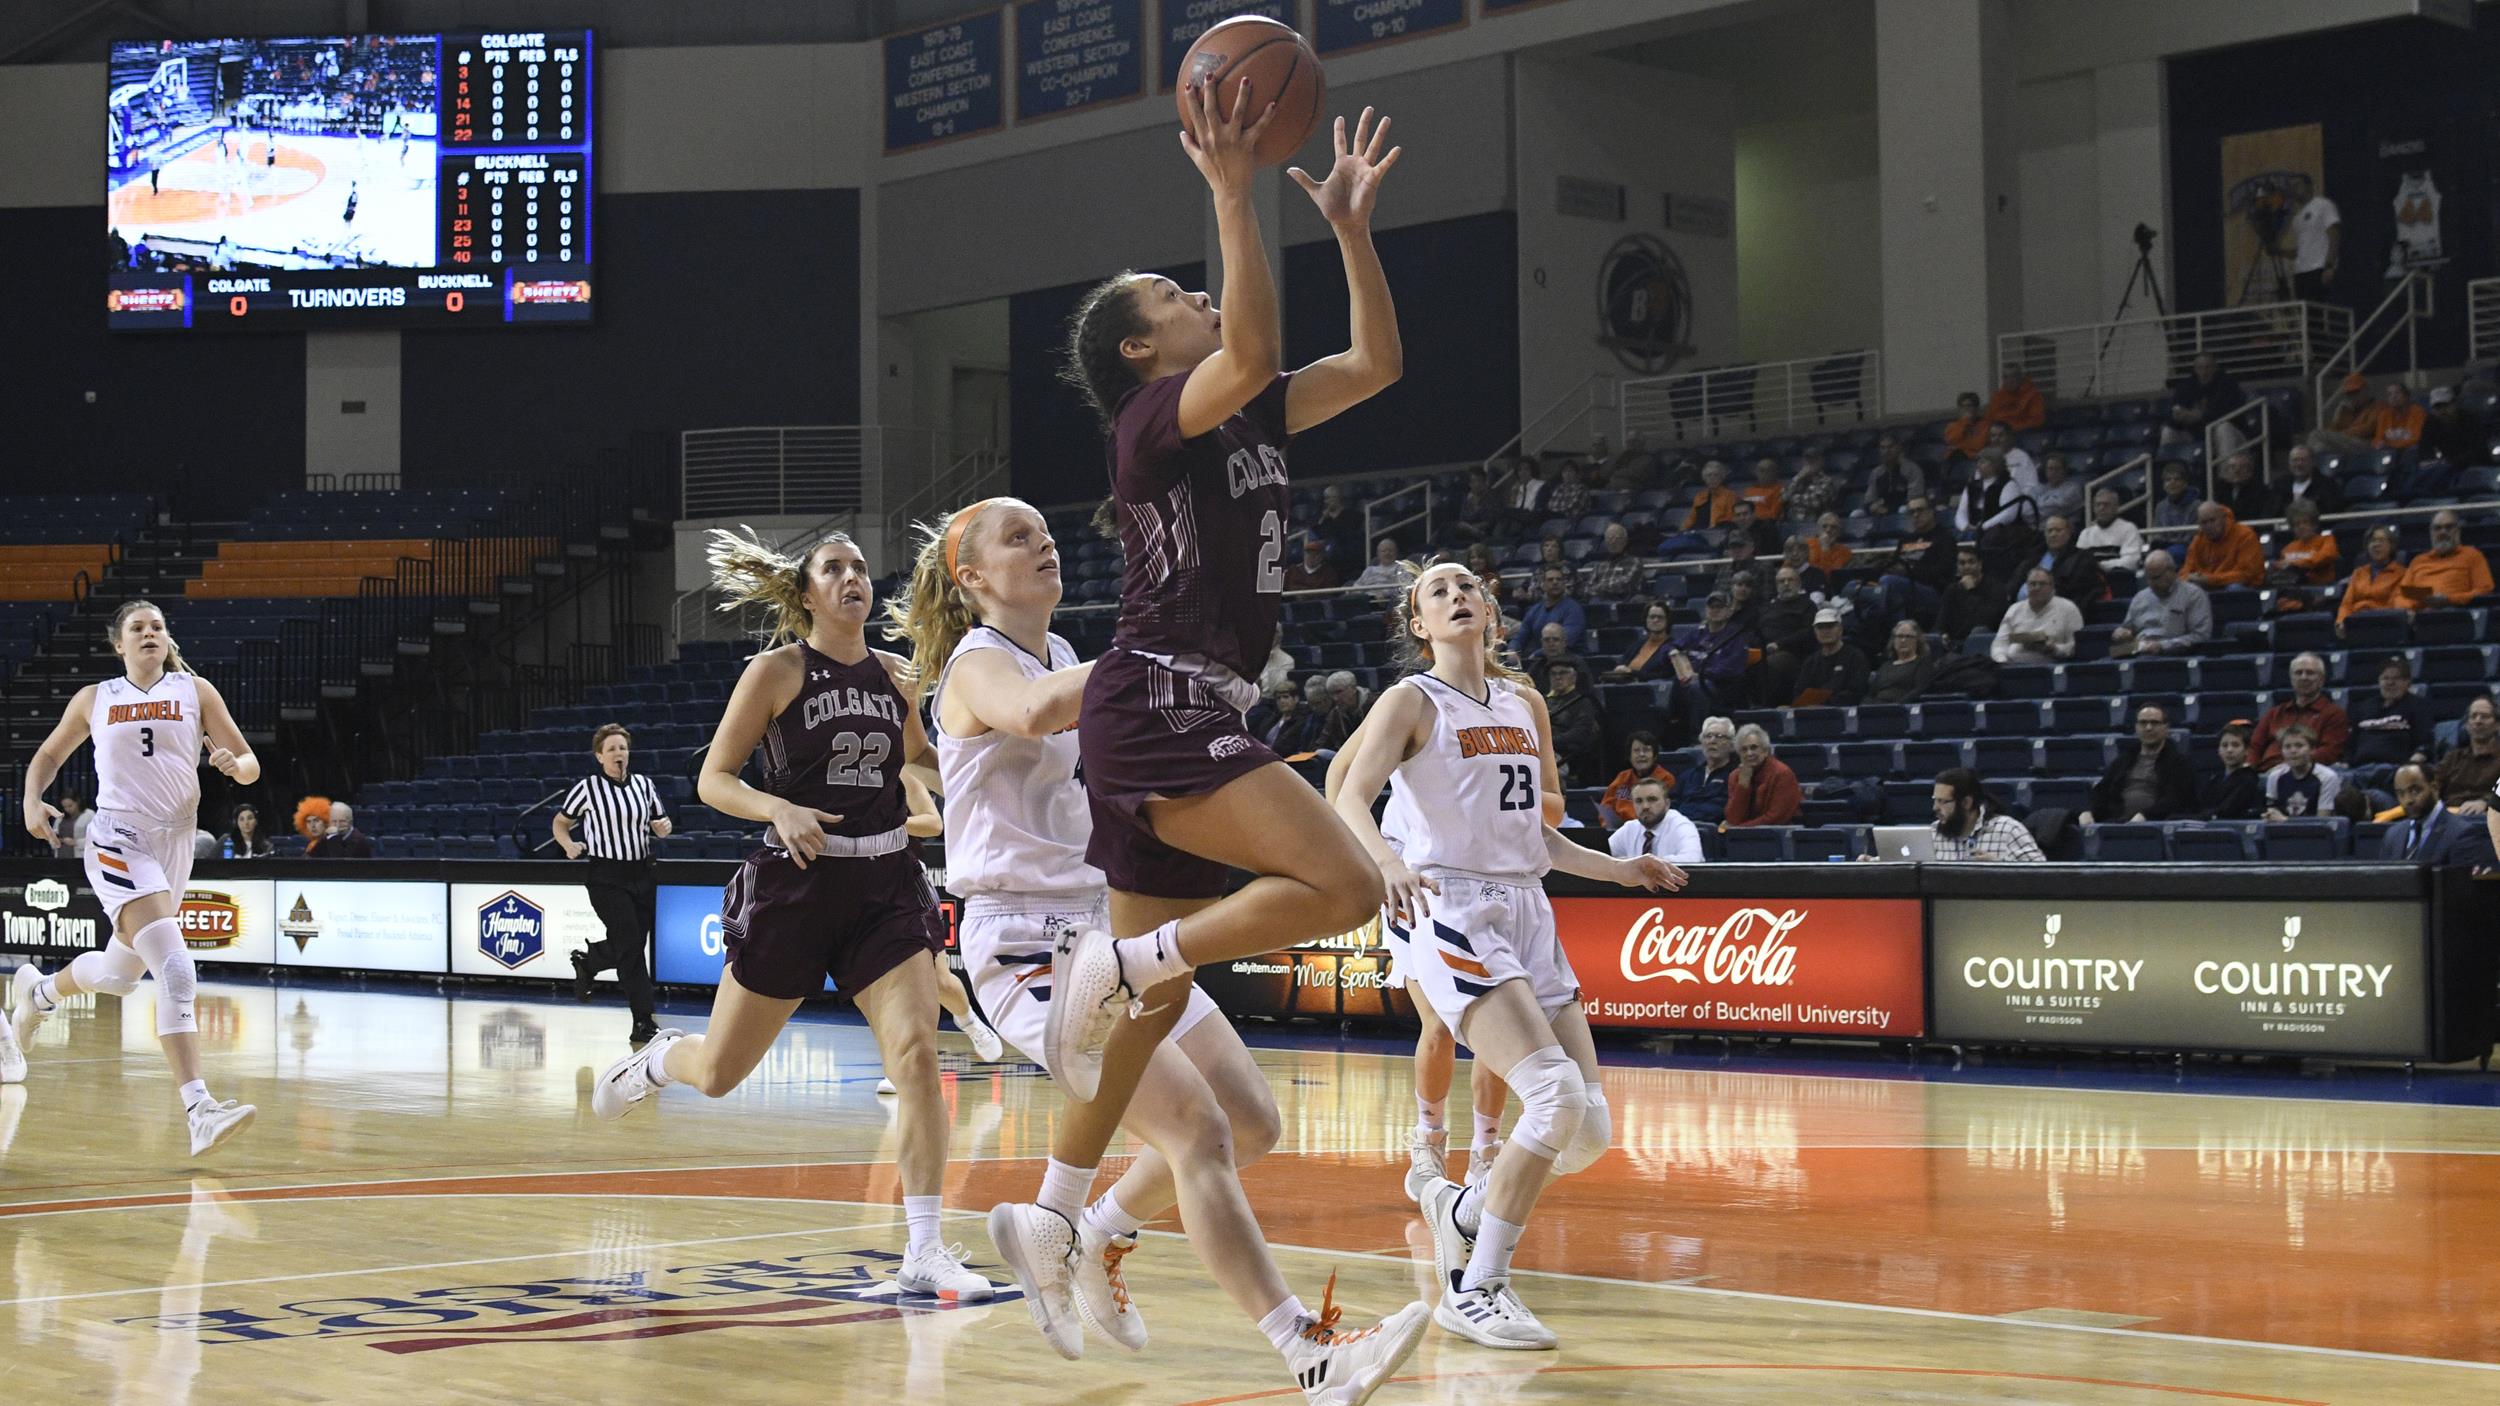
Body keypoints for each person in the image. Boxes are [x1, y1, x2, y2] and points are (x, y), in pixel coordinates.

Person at [996, 95, 1429, 1401]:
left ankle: (1061, 1215)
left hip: (1182, 704)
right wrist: (1233, 188)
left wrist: (1348, 229)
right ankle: (1132, 956)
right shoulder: (1149, 421)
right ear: (1143, 348)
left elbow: (1378, 363)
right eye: (1172, 294)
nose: (1196, 293)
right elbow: (1251, 340)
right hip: (1161, 698)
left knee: (1140, 1021)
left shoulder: (1251, 415)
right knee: (1343, 884)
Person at [876, 498, 1267, 1358]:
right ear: (972, 576)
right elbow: (1030, 712)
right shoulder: (977, 665)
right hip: (1023, 938)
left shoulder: (1059, 653)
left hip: (1102, 927)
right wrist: (1150, 653)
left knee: (1251, 1120)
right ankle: (1300, 1341)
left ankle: (1091, 1231)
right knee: (1198, 1131)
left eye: (1046, 533)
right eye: (1019, 537)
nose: (1044, 544)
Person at [588, 529, 996, 1312]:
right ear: (807, 594)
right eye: (833, 568)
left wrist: (986, 770)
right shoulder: (775, 672)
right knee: (719, 1076)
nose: (852, 577)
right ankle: (661, 1059)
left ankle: (924, 1250)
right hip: (799, 885)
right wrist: (777, 806)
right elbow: (714, 779)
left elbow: (915, 759)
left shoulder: (896, 675)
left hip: (883, 883)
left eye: (859, 567)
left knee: (916, 1055)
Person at [1328, 559, 1685, 1349]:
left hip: (1527, 906)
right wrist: (1385, 864)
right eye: (1438, 591)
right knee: (1552, 1095)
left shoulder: (1521, 703)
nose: (1457, 596)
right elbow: (1349, 792)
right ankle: (1476, 1287)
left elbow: (1537, 837)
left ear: (1490, 611)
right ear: (1419, 625)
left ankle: (1461, 1208)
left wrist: (1618, 869)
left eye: (1468, 587)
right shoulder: (1412, 699)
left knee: (1588, 1129)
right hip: (1454, 903)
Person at [4, 600, 261, 1151]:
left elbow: (249, 763)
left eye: (158, 627)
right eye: (137, 628)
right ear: (118, 644)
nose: (150, 634)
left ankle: (39, 992)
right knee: (175, 967)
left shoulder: (196, 691)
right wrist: (30, 799)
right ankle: (199, 1109)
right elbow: (47, 756)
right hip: (119, 838)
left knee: (120, 976)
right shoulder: (96, 698)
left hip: (176, 841)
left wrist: (234, 766)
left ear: (167, 640)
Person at [552, 723, 671, 1045]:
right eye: (612, 749)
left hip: (642, 873)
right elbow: (561, 822)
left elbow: (660, 822)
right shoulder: (588, 788)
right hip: (606, 876)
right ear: (599, 756)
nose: (619, 753)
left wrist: (663, 828)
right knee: (630, 946)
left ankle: (589, 961)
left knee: (632, 943)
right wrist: (568, 844)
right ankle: (643, 1020)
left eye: (623, 748)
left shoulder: (644, 785)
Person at [2083, 705, 2198, 824]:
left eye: (2154, 723)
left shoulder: (2179, 762)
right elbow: (2102, 793)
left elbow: (2175, 800)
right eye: (2143, 723)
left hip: (2155, 825)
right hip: (2117, 822)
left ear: (2166, 728)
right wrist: (2089, 812)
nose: (2148, 728)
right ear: (2136, 727)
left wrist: (2145, 816)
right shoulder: (2123, 761)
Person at [2380, 763, 2496, 866]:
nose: (2408, 800)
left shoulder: (2460, 833)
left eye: (2415, 791)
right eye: (2401, 793)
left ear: (2434, 788)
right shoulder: (2393, 835)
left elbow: (2460, 883)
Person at [1663, 590, 1751, 721]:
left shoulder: (1735, 636)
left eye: (1720, 607)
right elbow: (1671, 646)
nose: (1715, 610)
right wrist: (1678, 659)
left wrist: (1700, 674)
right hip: (1692, 679)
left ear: (1729, 611)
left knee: (1698, 687)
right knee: (1672, 683)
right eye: (1711, 607)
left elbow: (1731, 669)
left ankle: (1697, 731)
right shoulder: (1697, 633)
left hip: (1720, 687)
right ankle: (1674, 725)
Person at [2251, 652, 2350, 767]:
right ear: (2291, 679)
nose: (2303, 677)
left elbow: (2330, 752)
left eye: (2310, 673)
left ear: (2321, 679)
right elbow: (2255, 747)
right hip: (2266, 772)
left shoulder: (2334, 714)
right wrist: (2248, 769)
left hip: (2305, 771)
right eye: (2298, 673)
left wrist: (2291, 765)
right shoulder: (2274, 713)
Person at [2108, 551, 2211, 657]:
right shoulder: (2140, 597)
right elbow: (2128, 628)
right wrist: (2121, 633)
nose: (2151, 583)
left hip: (2174, 654)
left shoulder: (2194, 595)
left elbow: (2200, 636)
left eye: (2156, 578)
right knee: (2113, 653)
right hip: (2139, 648)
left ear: (2171, 572)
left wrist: (2163, 646)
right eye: (2148, 578)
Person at [1930, 768, 2045, 860]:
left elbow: (2042, 875)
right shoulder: (1933, 833)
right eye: (1935, 800)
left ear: (1966, 803)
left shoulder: (2008, 829)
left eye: (1943, 802)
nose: (1935, 808)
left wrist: (1999, 867)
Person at [2351, 655, 2433, 774]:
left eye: (2396, 678)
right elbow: (2351, 743)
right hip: (2359, 769)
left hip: (2395, 770)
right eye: (2385, 678)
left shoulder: (2418, 706)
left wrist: (2412, 763)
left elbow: (2425, 743)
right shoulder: (2364, 707)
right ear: (2379, 681)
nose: (2390, 683)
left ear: (2408, 683)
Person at [2399, 511, 2491, 610]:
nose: (2442, 532)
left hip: (2454, 613)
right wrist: (2413, 608)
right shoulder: (2418, 561)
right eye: (2437, 528)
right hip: (2419, 614)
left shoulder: (2472, 555)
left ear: (2458, 531)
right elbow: (2401, 594)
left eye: (2448, 527)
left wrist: (2449, 599)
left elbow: (2484, 590)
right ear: (2431, 532)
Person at [1990, 568, 2081, 665]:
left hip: (2052, 666)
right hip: (2012, 666)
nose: (2037, 588)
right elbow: (1999, 644)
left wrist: (2054, 649)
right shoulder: (2014, 609)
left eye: (2042, 584)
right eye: (2032, 584)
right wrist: (2002, 661)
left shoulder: (2068, 608)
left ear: (2052, 587)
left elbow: (2077, 646)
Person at [1542, 657, 1607, 788]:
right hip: (1544, 750)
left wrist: (1548, 742)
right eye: (1553, 674)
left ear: (1574, 677)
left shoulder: (1583, 702)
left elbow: (1580, 734)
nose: (1558, 677)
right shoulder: (1543, 701)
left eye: (1563, 673)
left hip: (1567, 757)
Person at [1608, 777, 1701, 864]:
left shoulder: (1681, 826)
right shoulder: (1630, 828)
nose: (1645, 806)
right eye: (1639, 801)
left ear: (1667, 804)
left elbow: (1693, 859)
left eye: (1652, 799)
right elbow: (1603, 854)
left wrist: (1646, 864)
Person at [2164, 353, 2247, 451]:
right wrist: (2178, 416)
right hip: (2195, 433)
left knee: (2223, 428)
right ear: (2195, 369)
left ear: (2215, 368)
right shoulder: (2186, 386)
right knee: (2168, 432)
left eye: (2208, 367)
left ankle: (2227, 462)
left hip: (2227, 432)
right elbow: (2173, 411)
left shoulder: (2227, 384)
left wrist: (2201, 416)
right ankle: (2169, 461)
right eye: (2200, 368)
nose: (2204, 372)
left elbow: (2228, 414)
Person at [1723, 724, 1800, 828]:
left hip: (1775, 834)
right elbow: (1733, 818)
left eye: (1754, 747)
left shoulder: (1782, 773)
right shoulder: (1735, 776)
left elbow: (1776, 818)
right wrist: (1743, 785)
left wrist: (1740, 829)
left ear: (1765, 750)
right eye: (1744, 749)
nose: (1749, 753)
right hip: (1743, 833)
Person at [2432, 696, 2499, 814]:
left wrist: (2486, 802)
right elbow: (2432, 785)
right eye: (2473, 716)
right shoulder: (2453, 757)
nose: (2478, 721)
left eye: (2484, 716)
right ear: (2467, 725)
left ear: (2497, 725)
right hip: (2450, 816)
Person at [1793, 607, 1871, 706]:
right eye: (1820, 627)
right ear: (1815, 632)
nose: (1825, 631)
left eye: (1830, 626)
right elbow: (1799, 692)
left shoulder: (1855, 657)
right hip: (1810, 712)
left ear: (1840, 629)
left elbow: (1856, 692)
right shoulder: (1810, 662)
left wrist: (1823, 705)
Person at [2336, 525, 2408, 632]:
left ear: (2391, 545)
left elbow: (2395, 606)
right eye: (2372, 541)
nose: (2376, 544)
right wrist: (2341, 622)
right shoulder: (2358, 573)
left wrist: (2367, 609)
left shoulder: (2402, 574)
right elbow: (2346, 604)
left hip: (2383, 625)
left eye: (2381, 540)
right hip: (2356, 624)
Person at [2262, 725, 2341, 820]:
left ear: (2312, 750)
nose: (2293, 751)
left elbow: (2323, 822)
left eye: (2299, 746)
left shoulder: (2327, 777)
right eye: (2287, 747)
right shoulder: (2275, 776)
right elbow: (2272, 815)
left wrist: (2285, 821)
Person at [2268, 499, 2342, 600]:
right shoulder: (2288, 548)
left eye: (2305, 522)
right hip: (2293, 593)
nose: (2301, 527)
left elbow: (2325, 557)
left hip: (2319, 592)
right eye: (2297, 524)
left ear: (2314, 524)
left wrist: (2294, 564)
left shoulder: (2326, 540)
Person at [2182, 502, 2264, 591]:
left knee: (2234, 588)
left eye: (2212, 520)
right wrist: (2189, 578)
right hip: (2209, 584)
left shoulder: (2245, 536)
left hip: (2243, 586)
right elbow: (2186, 570)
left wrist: (2209, 579)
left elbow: (2246, 574)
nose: (2209, 526)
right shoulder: (2198, 540)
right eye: (2204, 523)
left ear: (2223, 518)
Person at [1936, 545, 2007, 646]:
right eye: (1962, 563)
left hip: (1984, 642)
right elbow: (1941, 622)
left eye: (1971, 562)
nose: (1967, 567)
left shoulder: (1996, 588)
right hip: (1955, 643)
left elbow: (1985, 621)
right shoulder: (1952, 590)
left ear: (1980, 564)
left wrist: (1970, 591)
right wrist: (1943, 634)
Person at [2287, 173, 2340, 302]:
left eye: (2297, 185)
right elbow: (2302, 249)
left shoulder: (2322, 205)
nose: (2294, 189)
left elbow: (2334, 235)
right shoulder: (2297, 218)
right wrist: (2279, 251)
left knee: (2320, 309)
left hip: (2318, 268)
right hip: (2300, 273)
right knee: (2305, 312)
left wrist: (2329, 266)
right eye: (2292, 187)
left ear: (2309, 186)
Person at [1597, 732, 1671, 826]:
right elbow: (1606, 806)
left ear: (1654, 756)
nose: (1641, 754)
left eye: (1646, 750)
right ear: (1629, 756)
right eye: (1636, 750)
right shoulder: (1622, 777)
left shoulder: (1666, 778)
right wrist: (1606, 823)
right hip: (1618, 829)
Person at [1515, 565, 1588, 656]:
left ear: (1564, 584)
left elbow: (1563, 642)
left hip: (1570, 659)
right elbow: (1520, 637)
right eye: (1550, 580)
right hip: (1543, 660)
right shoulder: (1534, 610)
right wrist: (1512, 650)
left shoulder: (1574, 609)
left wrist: (1536, 655)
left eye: (1559, 579)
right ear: (1543, 585)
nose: (1555, 582)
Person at [1677, 717, 1738, 827]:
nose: (1712, 741)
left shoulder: (1736, 776)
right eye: (1708, 736)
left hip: (1713, 831)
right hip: (1681, 828)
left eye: (1719, 736)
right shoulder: (1688, 775)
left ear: (1731, 744)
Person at [2201, 721, 2266, 821]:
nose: (2229, 750)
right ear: (2218, 750)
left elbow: (2227, 811)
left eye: (2235, 745)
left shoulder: (2249, 779)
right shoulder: (2215, 779)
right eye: (2224, 745)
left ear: (2247, 750)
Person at [2036, 515, 2107, 605]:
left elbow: (2076, 592)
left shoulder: (2082, 558)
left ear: (2069, 533)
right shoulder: (2034, 557)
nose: (2053, 534)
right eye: (2049, 531)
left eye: (2058, 530)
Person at [1956, 450, 2027, 534]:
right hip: (1972, 532)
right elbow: (1961, 511)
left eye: (1982, 462)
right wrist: (1964, 526)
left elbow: (2008, 514)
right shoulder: (1972, 485)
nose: (1978, 465)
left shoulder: (2009, 485)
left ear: (1995, 465)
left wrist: (1983, 527)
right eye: (1978, 462)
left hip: (2000, 533)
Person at [1868, 621, 1938, 704]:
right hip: (1877, 707)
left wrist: (1895, 706)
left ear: (1917, 640)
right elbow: (1872, 694)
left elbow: (1919, 691)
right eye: (1899, 636)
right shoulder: (1885, 666)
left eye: (1908, 636)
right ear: (1893, 640)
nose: (1903, 640)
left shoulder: (1923, 664)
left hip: (1902, 708)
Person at [2079, 488, 2147, 574]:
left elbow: (2131, 562)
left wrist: (2100, 566)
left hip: (2118, 579)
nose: (2101, 508)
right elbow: (2078, 563)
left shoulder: (2129, 529)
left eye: (2106, 505)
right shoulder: (2086, 534)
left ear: (2116, 507)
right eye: (2098, 505)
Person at [1606, 600, 1675, 681]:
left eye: (1660, 617)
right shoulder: (1637, 645)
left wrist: (1632, 672)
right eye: (1652, 617)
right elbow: (1621, 665)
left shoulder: (1674, 647)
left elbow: (1666, 676)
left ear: (1667, 621)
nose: (1655, 620)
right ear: (1646, 620)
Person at [1861, 434, 1927, 518]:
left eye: (1890, 447)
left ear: (1899, 448)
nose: (1886, 451)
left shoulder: (1912, 469)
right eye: (1883, 448)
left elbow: (1915, 498)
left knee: (1903, 509)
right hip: (1881, 511)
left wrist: (1889, 510)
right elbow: (1869, 499)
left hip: (1906, 510)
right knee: (1857, 513)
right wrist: (1872, 506)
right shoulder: (1876, 472)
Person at [1310, 482, 1365, 574]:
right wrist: (1323, 518)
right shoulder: (1322, 518)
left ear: (1339, 498)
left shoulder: (1351, 515)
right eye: (1326, 498)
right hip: (1326, 558)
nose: (1329, 501)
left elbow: (1351, 533)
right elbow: (1315, 533)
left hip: (1346, 556)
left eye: (1332, 497)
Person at [1583, 523, 1645, 602]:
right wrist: (1602, 588)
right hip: (1600, 600)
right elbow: (1587, 588)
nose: (1613, 541)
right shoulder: (1600, 565)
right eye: (1609, 538)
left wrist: (1600, 586)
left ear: (1625, 541)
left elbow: (1625, 584)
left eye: (1617, 538)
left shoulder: (1634, 562)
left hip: (1623, 602)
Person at [2210, 451, 2277, 525]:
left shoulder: (2261, 492)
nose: (2236, 471)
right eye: (2232, 467)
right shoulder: (2221, 489)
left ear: (2250, 471)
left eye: (2242, 467)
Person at [2280, 445, 2344, 515]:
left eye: (2303, 460)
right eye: (2295, 460)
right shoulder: (2280, 486)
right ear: (2289, 463)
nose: (2299, 464)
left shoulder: (2328, 486)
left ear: (2313, 462)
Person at [2368, 381, 2426, 456]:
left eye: (2397, 393)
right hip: (2389, 454)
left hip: (2410, 454)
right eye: (2390, 394)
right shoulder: (2384, 415)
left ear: (2406, 396)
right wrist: (2378, 444)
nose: (2393, 397)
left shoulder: (2418, 413)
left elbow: (2416, 438)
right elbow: (2379, 438)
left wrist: (2391, 445)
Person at [1985, 422, 2040, 497]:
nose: (1996, 439)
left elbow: (2032, 486)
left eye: (2001, 435)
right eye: (1993, 435)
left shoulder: (2022, 457)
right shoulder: (1985, 459)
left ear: (2009, 437)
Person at [2032, 452, 2084, 529]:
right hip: (2039, 529)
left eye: (2058, 469)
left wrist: (2037, 509)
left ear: (2064, 471)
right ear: (2045, 471)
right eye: (2050, 468)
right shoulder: (2039, 489)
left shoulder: (2073, 489)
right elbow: (2027, 512)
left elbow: (2057, 508)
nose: (2054, 472)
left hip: (2064, 530)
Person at [305, 800, 374, 857]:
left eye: (342, 821)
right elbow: (309, 858)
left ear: (350, 822)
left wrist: (333, 836)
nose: (337, 825)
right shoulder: (326, 837)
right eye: (334, 821)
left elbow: (339, 862)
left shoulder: (358, 841)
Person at [1987, 367, 2045, 433]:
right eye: (2005, 377)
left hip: (2024, 432)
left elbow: (2036, 421)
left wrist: (2010, 429)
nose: (2009, 381)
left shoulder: (2033, 395)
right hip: (1999, 433)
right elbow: (1989, 419)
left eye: (2013, 376)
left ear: (2020, 377)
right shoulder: (1997, 397)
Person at [1685, 459, 1737, 530]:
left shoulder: (1730, 495)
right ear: (1705, 478)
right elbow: (1692, 518)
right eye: (1709, 475)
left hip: (1719, 531)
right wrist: (1683, 529)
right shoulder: (1699, 496)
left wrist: (1713, 528)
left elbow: (1730, 518)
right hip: (1699, 531)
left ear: (1721, 478)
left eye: (1716, 475)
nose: (1712, 478)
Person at [2151, 461, 2203, 531]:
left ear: (2185, 483)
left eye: (2177, 479)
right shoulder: (2160, 507)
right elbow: (2157, 534)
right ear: (2163, 486)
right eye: (2168, 479)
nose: (2172, 483)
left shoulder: (2197, 506)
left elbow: (2195, 534)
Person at [1942, 391, 1993, 458]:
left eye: (1969, 406)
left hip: (1975, 459)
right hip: (1956, 459)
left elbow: (1979, 445)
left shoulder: (1986, 424)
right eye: (1962, 406)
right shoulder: (1952, 426)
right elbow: (1952, 441)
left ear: (1976, 408)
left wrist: (1960, 447)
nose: (1966, 409)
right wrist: (1965, 422)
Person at [1805, 511, 1853, 577]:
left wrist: (1825, 549)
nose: (1828, 530)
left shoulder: (1845, 552)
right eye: (1824, 526)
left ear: (1839, 532)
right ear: (1818, 529)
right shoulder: (1806, 545)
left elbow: (1828, 575)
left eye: (1833, 527)